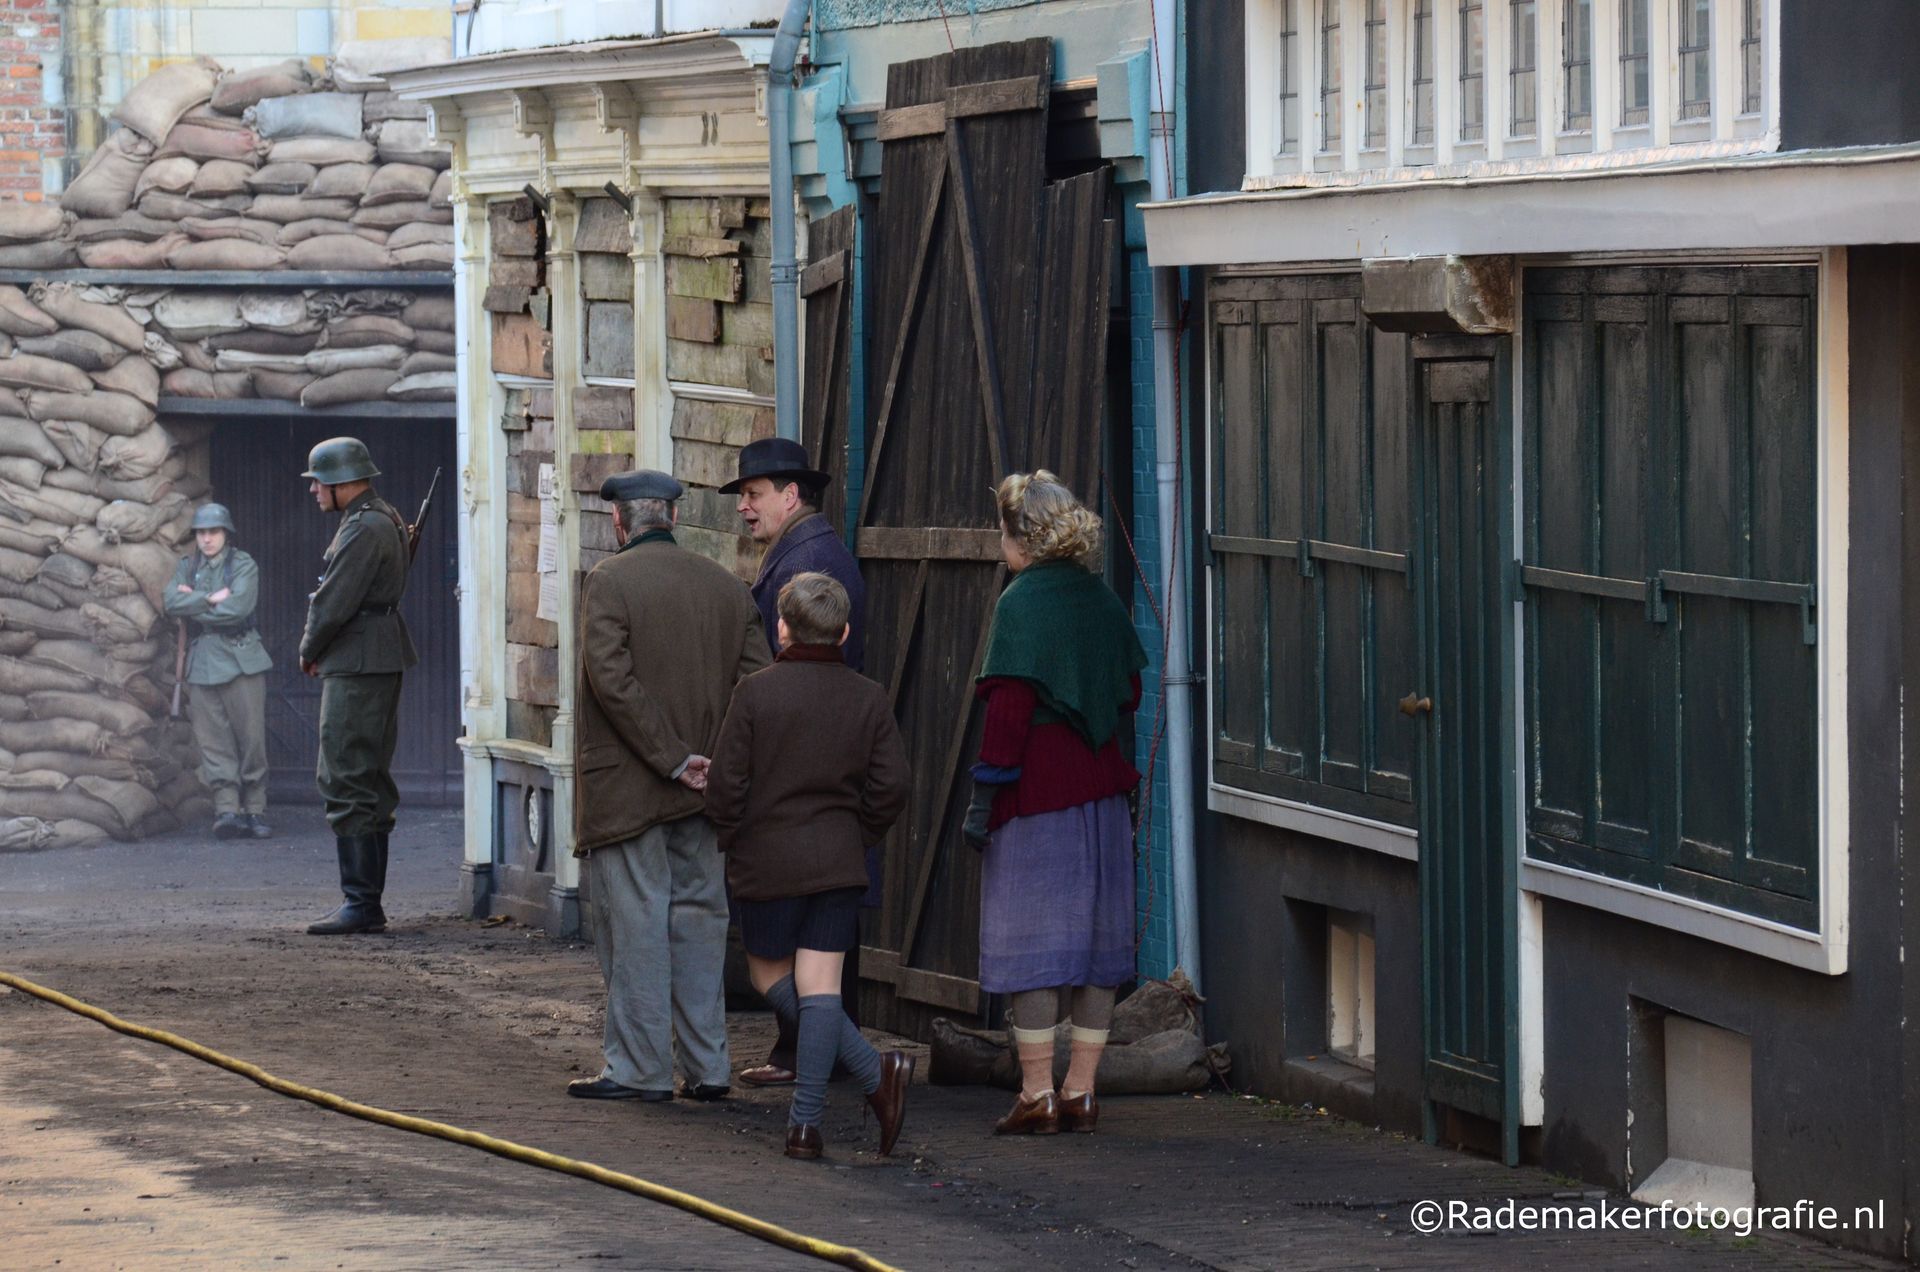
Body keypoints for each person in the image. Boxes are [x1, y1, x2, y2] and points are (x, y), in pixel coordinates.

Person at [570, 469, 770, 1103]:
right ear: (675, 519)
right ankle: (709, 1068)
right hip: (704, 791)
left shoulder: (608, 582)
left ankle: (639, 1070)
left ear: (618, 522)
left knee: (635, 928)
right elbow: (757, 687)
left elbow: (611, 682)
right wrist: (713, 763)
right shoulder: (728, 588)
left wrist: (674, 758)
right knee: (700, 926)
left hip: (632, 792)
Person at [705, 572, 914, 1159]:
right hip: (837, 865)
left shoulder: (755, 692)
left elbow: (725, 786)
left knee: (771, 978)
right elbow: (892, 784)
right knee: (821, 988)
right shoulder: (869, 697)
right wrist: (858, 833)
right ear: (844, 632)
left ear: (782, 627)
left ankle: (875, 1075)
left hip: (766, 865)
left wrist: (734, 835)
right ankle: (809, 1123)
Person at [965, 471, 1147, 1136]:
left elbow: (1008, 714)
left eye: (1003, 529)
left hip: (1035, 797)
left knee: (1033, 944)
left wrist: (984, 800)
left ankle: (1036, 1094)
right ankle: (1082, 1092)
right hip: (1101, 797)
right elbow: (1127, 692)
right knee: (1098, 945)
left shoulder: (1022, 603)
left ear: (1023, 537)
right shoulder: (1100, 600)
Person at [720, 436, 871, 1088]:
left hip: (797, 784)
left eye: (753, 496)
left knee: (784, 951)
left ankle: (846, 1059)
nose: (744, 510)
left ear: (790, 494)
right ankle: (807, 1054)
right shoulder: (808, 552)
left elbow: (790, 680)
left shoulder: (803, 565)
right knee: (815, 956)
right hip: (822, 789)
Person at [298, 437, 418, 937]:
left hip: (357, 659)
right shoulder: (381, 517)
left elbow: (333, 600)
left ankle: (361, 903)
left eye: (319, 482)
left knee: (345, 773)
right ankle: (364, 901)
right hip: (374, 654)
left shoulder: (365, 527)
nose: (314, 492)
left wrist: (309, 646)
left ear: (343, 481)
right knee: (365, 775)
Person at [163, 503, 273, 840]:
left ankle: (255, 809)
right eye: (201, 533)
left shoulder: (242, 565)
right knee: (214, 743)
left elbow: (237, 609)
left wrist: (195, 602)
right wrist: (212, 598)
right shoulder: (187, 566)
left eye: (213, 532)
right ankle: (228, 809)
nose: (207, 539)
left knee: (251, 739)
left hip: (241, 658)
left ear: (226, 533)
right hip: (204, 663)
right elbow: (170, 602)